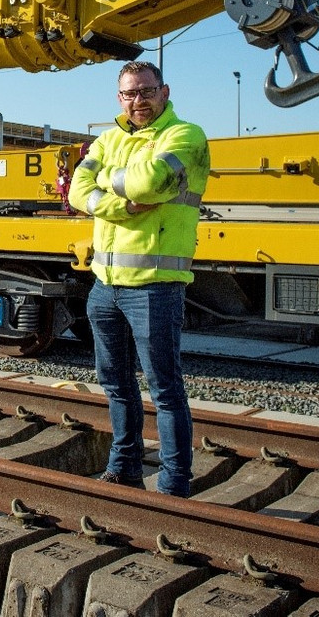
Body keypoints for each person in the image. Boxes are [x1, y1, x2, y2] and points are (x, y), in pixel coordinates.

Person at [68, 60, 209, 496]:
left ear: (163, 92)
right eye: (130, 93)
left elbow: (150, 182)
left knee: (165, 390)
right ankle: (124, 467)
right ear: (119, 98)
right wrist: (122, 203)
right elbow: (75, 190)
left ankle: (173, 484)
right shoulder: (107, 138)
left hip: (155, 284)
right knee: (116, 384)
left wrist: (104, 182)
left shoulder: (184, 136)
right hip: (104, 286)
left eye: (146, 91)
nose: (138, 101)